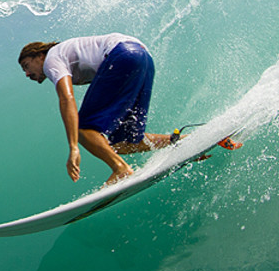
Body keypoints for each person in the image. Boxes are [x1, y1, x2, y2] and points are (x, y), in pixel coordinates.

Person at [18, 34, 176, 185]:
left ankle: (120, 169)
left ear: (39, 55)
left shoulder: (50, 60)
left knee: (83, 128)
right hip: (143, 57)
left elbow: (66, 98)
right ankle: (179, 141)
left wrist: (73, 147)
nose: (26, 74)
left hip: (121, 55)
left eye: (26, 66)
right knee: (124, 142)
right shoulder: (64, 53)